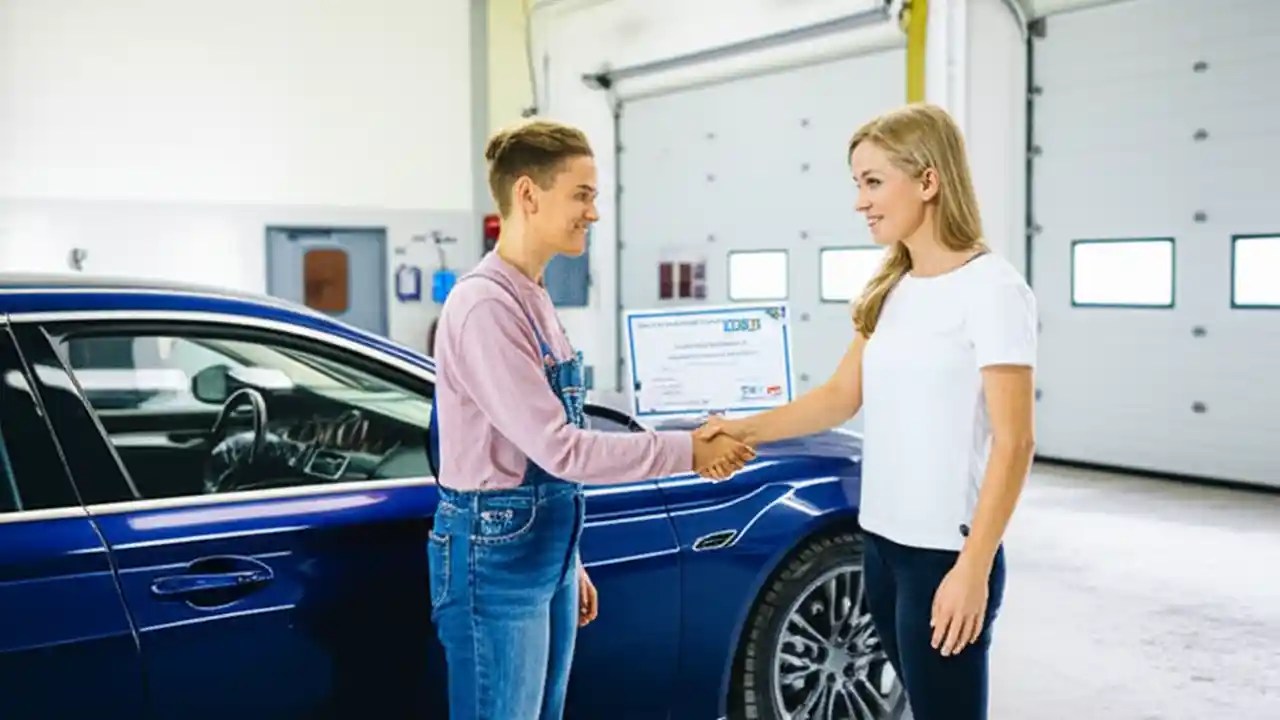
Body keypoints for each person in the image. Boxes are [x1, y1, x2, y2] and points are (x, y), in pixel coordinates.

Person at [696, 103, 1037, 720]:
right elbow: (838, 398)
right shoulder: (894, 288)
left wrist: (973, 568)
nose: (860, 201)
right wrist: (740, 429)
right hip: (881, 544)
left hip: (945, 554)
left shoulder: (994, 290)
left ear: (929, 182)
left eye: (873, 181)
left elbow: (1015, 444)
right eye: (858, 183)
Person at [427, 118, 755, 720]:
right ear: (528, 194)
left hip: (540, 549)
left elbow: (539, 443)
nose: (594, 213)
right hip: (495, 559)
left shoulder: (531, 294)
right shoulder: (483, 307)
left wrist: (566, 557)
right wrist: (688, 451)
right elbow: (562, 449)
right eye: (583, 195)